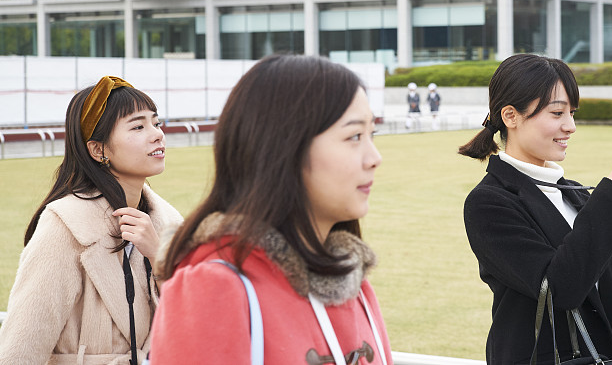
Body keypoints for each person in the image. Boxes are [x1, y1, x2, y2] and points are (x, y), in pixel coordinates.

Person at [147, 55, 392, 364]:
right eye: (354, 136)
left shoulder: (351, 280)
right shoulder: (215, 287)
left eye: (372, 134)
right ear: (286, 147)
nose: (375, 158)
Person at [458, 54, 612, 365]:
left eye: (572, 113)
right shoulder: (490, 202)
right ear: (511, 116)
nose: (570, 126)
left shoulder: (573, 193)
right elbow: (559, 289)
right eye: (557, 113)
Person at [0, 76, 183, 365]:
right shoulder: (65, 226)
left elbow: (195, 322)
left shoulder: (168, 222)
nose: (157, 134)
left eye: (156, 123)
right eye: (138, 126)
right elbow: (21, 349)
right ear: (98, 150)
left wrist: (161, 259)